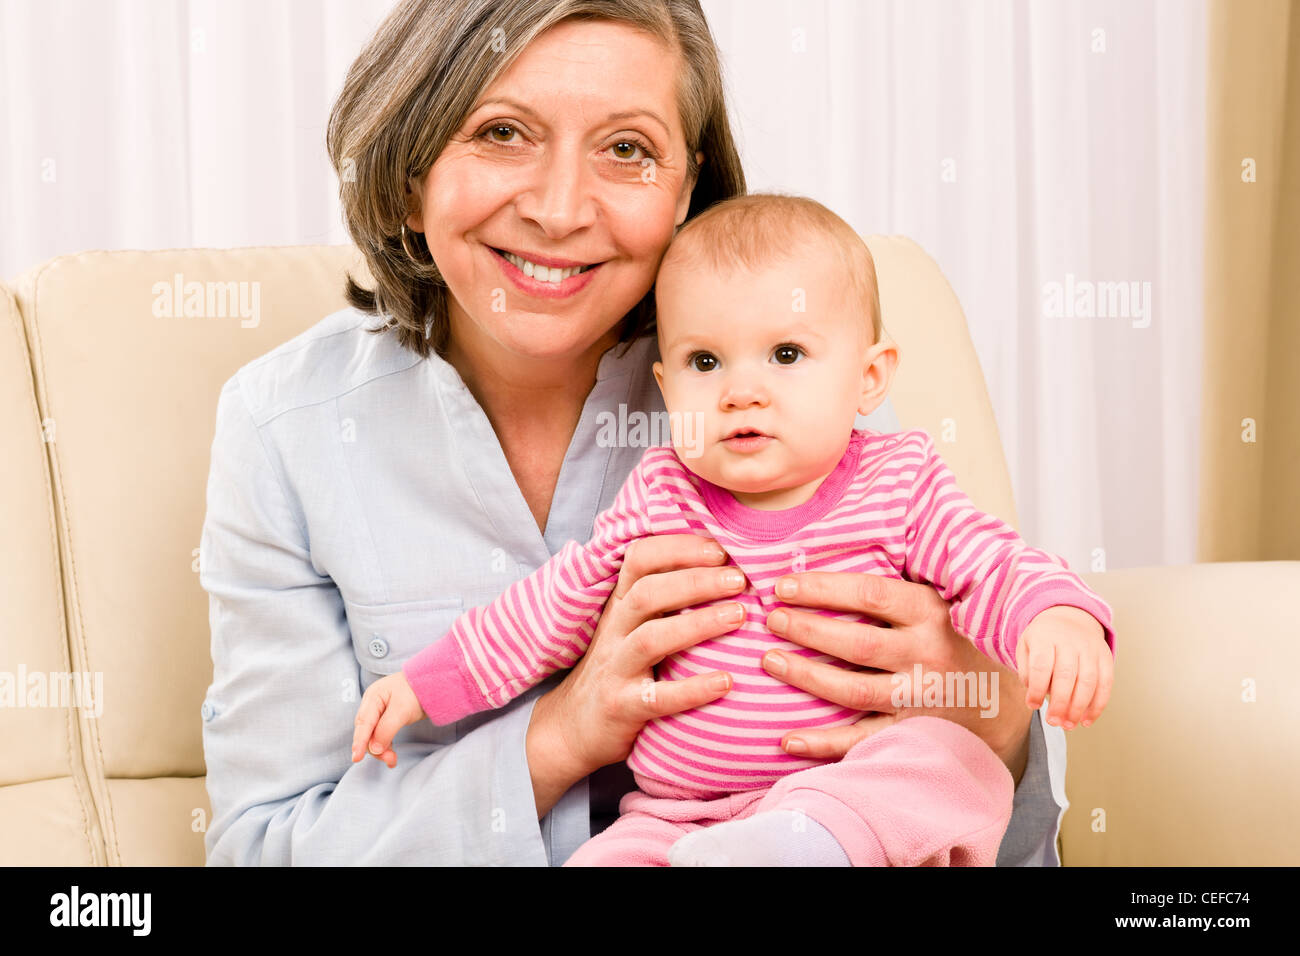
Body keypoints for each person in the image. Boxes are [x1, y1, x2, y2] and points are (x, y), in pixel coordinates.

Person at [200, 0, 1070, 866]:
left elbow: (1014, 828)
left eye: (626, 149)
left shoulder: (782, 373)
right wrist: (559, 736)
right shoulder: (285, 432)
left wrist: (987, 708)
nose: (559, 209)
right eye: (502, 132)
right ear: (408, 167)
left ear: (686, 188)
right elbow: (265, 851)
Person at [349, 193, 1116, 866]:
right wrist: (424, 685)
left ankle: (798, 847)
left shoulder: (900, 484)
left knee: (947, 763)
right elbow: (549, 608)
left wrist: (1059, 619)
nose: (741, 392)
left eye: (786, 354)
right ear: (665, 385)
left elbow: (995, 567)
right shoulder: (660, 495)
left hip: (846, 790)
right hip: (680, 814)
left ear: (870, 377)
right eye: (705, 361)